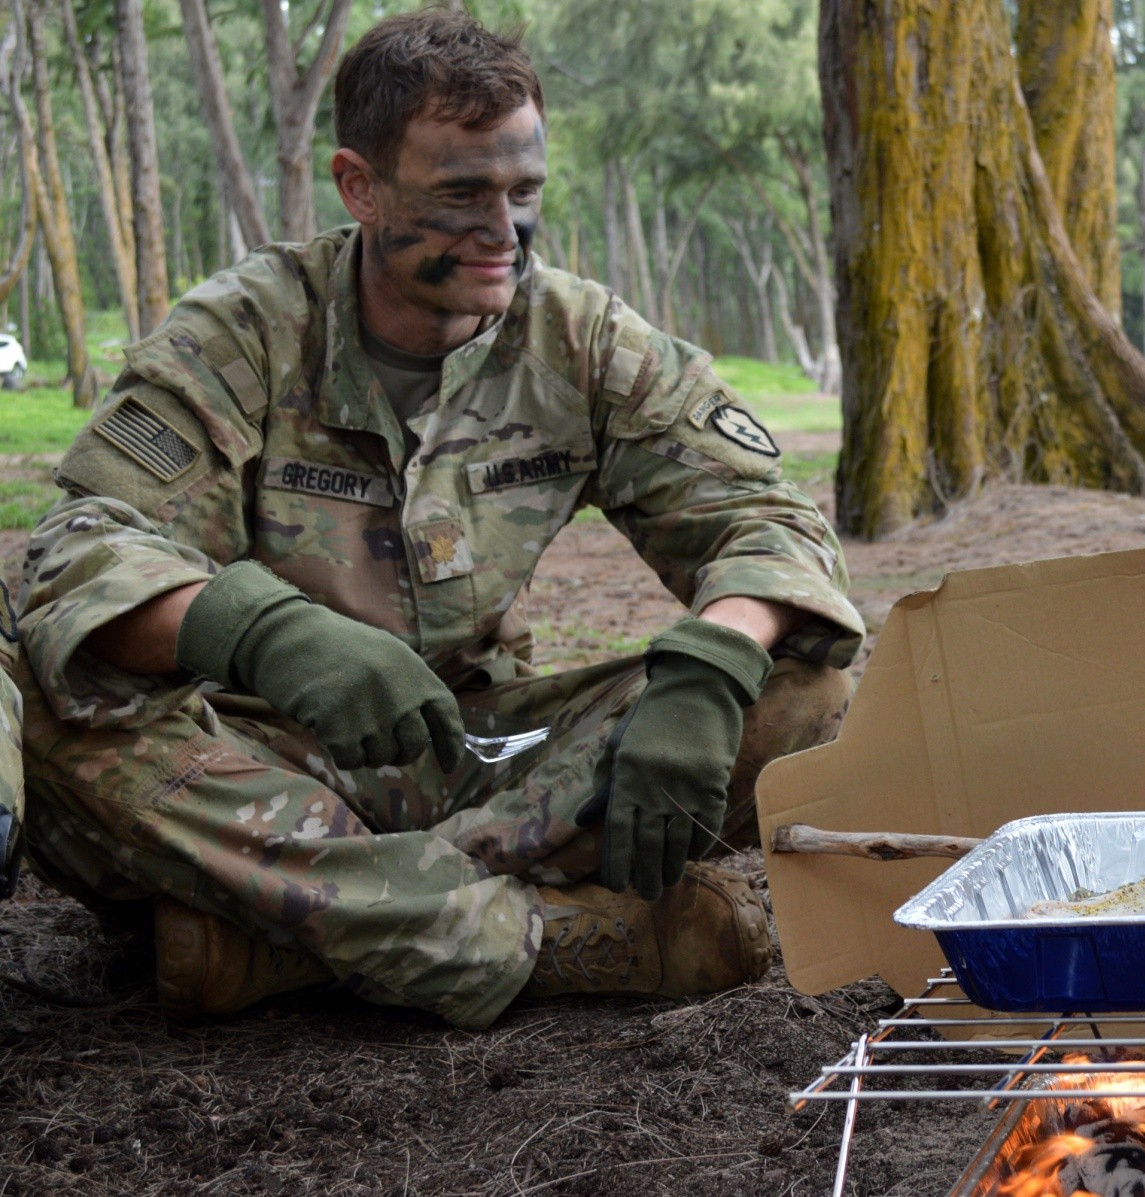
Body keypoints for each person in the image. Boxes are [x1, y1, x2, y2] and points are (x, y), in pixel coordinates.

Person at [6, 9, 863, 1030]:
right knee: (46, 702)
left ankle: (288, 940)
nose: (502, 233)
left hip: (481, 761)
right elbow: (79, 549)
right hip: (263, 768)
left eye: (523, 194)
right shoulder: (247, 333)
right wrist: (270, 637)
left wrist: (715, 663)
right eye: (462, 194)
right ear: (360, 186)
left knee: (800, 686)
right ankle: (544, 938)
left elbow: (761, 513)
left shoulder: (578, 341)